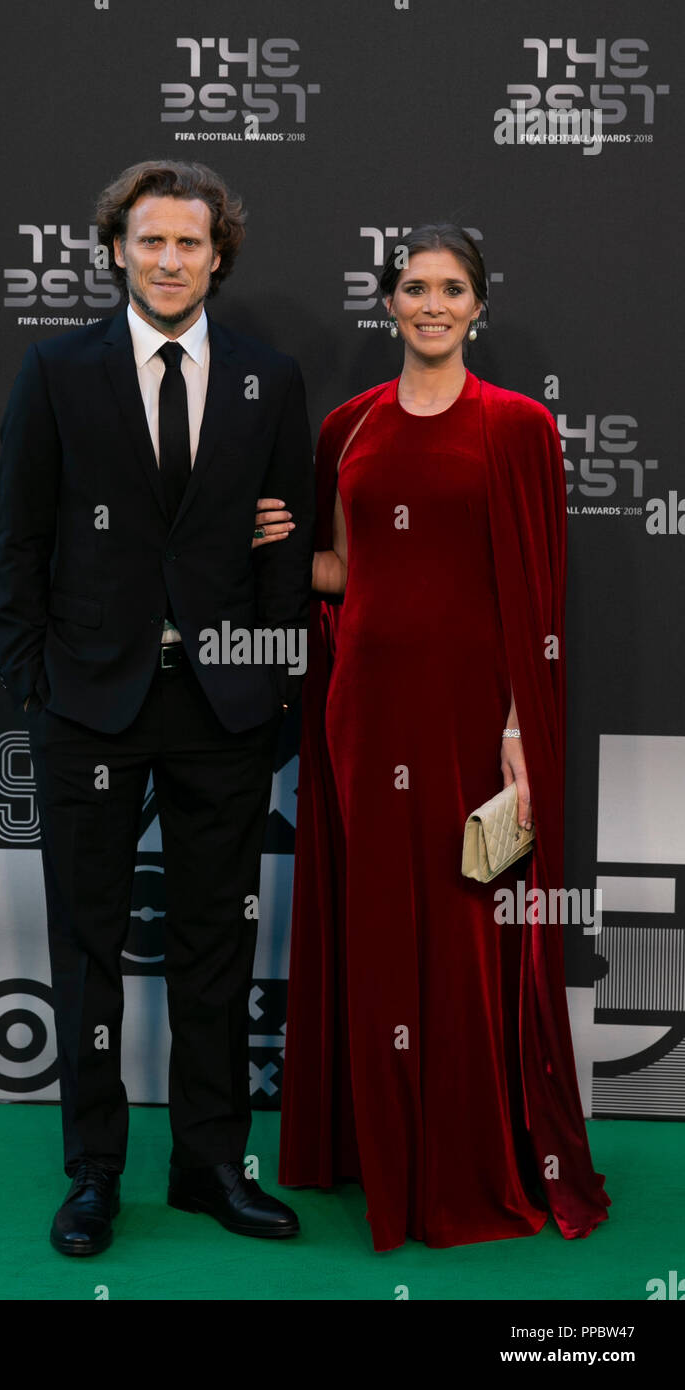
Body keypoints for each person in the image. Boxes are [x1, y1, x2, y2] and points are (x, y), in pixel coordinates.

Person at [0, 160, 315, 1255]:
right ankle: (93, 1173)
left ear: (217, 253)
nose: (169, 259)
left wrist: (273, 677)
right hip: (87, 701)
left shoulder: (269, 379)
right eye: (149, 240)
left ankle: (209, 1163)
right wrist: (35, 682)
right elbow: (18, 543)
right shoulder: (56, 368)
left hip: (223, 704)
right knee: (85, 947)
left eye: (189, 242)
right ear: (115, 249)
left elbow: (282, 542)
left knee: (214, 946)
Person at [271, 224, 611, 1251]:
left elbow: (531, 589)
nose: (429, 303)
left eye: (449, 288)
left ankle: (468, 1157)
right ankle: (381, 1154)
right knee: (378, 925)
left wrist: (517, 723)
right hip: (363, 709)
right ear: (386, 302)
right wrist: (270, 554)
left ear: (476, 306)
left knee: (468, 929)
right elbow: (342, 572)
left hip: (471, 714)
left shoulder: (515, 427)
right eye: (412, 286)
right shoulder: (346, 428)